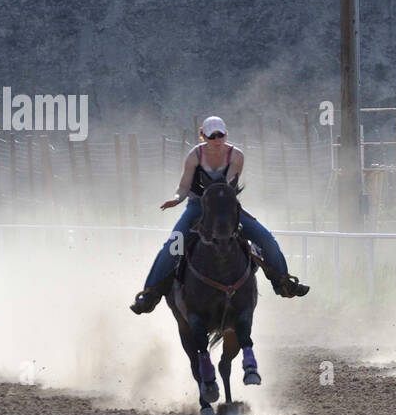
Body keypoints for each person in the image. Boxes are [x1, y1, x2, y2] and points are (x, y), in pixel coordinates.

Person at [130, 116, 309, 314]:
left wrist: (228, 205)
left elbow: (226, 187)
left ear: (226, 134)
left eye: (220, 135)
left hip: (225, 205)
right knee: (173, 245)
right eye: (211, 136)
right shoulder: (194, 156)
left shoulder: (236, 156)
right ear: (203, 136)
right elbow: (183, 186)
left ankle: (283, 283)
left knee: (266, 239)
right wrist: (177, 199)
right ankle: (149, 294)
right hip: (197, 206)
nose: (217, 140)